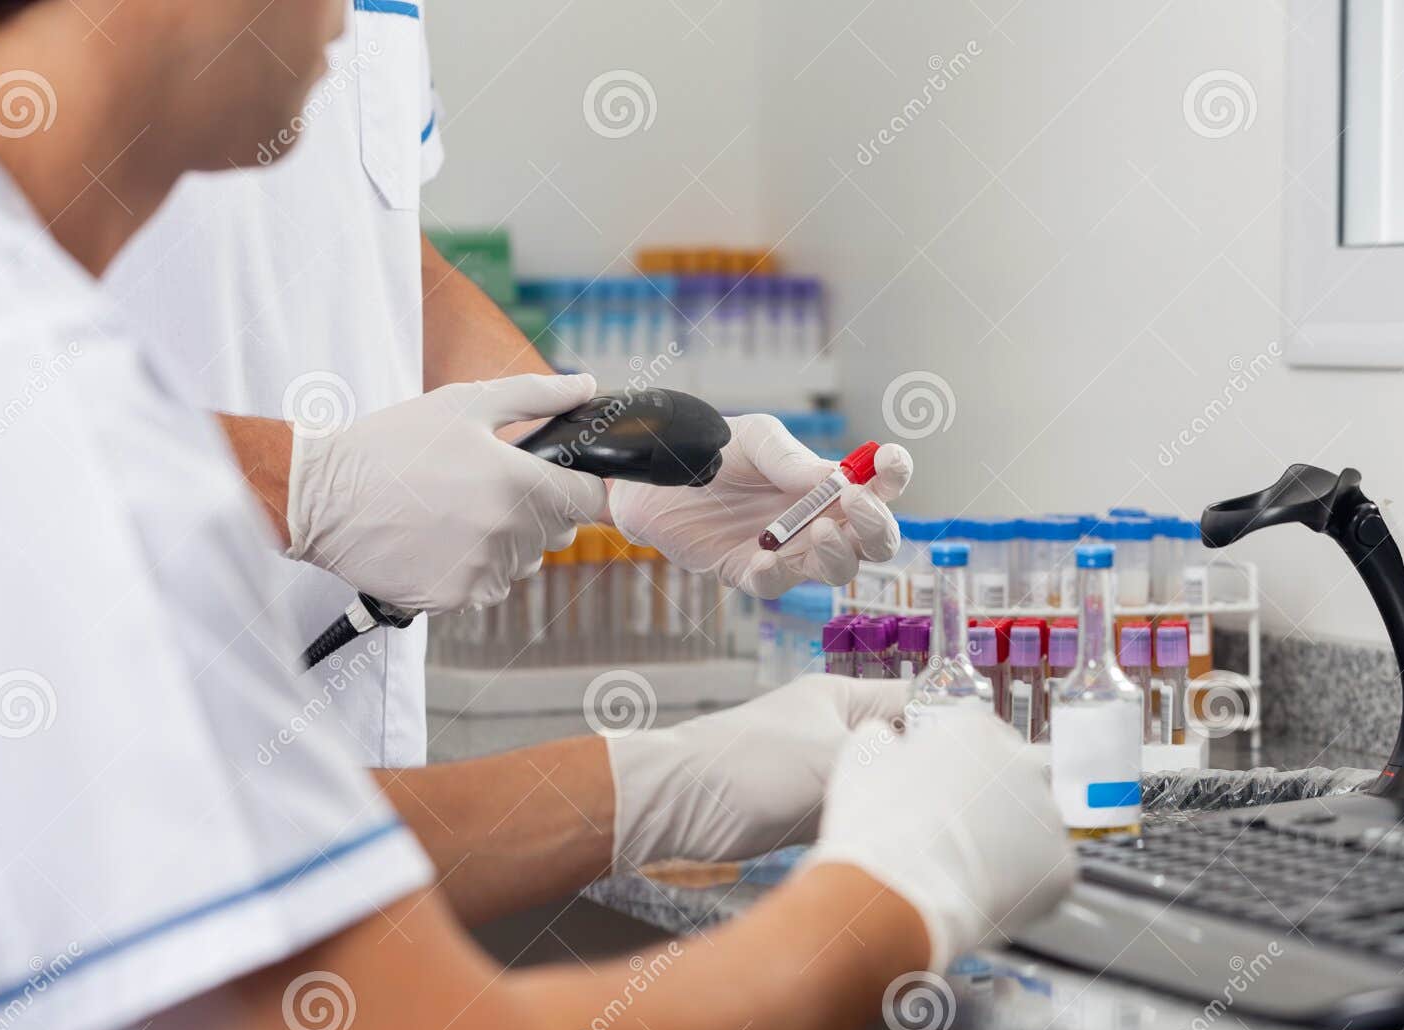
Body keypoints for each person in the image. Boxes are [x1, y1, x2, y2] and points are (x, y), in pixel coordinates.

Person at [0, 0, 1075, 1030]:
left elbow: (375, 241)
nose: (355, 22)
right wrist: (891, 900)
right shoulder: (50, 433)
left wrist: (593, 474)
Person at [101, 0, 911, 769]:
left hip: (344, 723)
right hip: (109, 693)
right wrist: (299, 483)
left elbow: (383, 264)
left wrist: (601, 454)